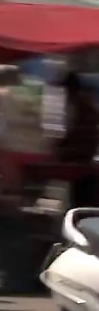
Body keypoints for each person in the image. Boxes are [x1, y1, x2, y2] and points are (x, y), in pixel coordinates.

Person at [56, 69, 99, 208]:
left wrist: (59, 148)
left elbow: (75, 134)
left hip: (80, 158)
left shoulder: (80, 106)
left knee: (82, 197)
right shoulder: (86, 105)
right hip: (84, 158)